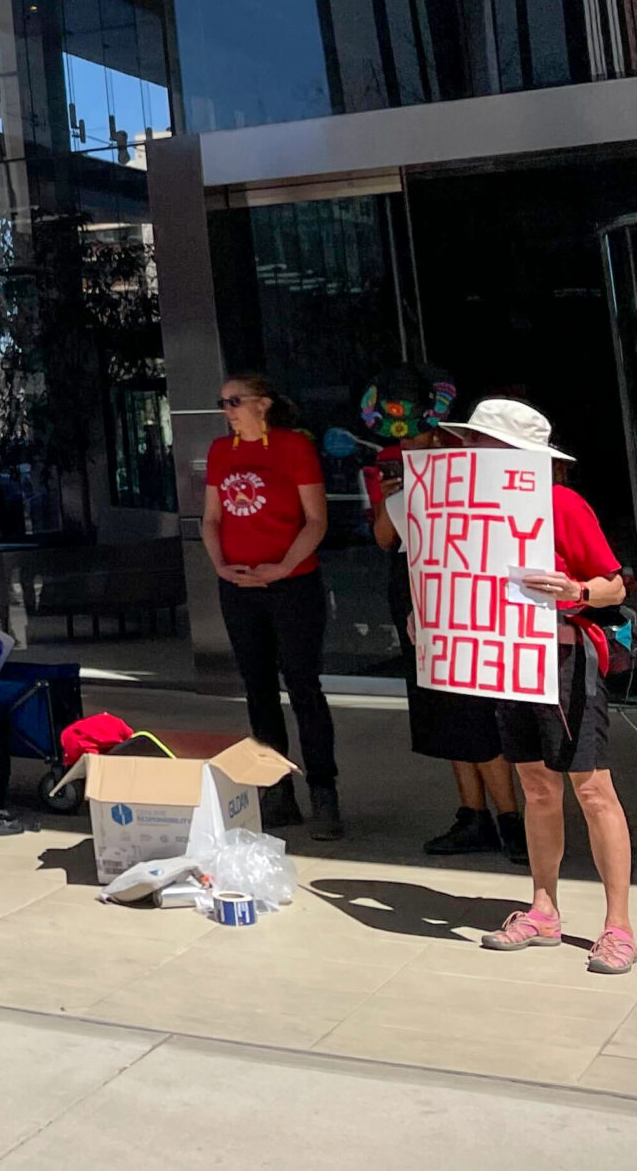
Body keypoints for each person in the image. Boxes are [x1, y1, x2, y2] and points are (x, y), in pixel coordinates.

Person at [461, 401, 637, 973]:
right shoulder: (471, 509)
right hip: (507, 661)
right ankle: (543, 909)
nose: (474, 452)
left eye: (485, 443)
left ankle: (618, 925)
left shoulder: (561, 504)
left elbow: (614, 586)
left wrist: (577, 592)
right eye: (474, 441)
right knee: (536, 787)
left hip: (562, 659)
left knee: (592, 791)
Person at [361, 366, 523, 861]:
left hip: (463, 593)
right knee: (438, 708)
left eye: (412, 429)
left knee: (475, 709)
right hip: (415, 590)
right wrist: (391, 496)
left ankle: (510, 818)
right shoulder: (392, 470)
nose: (406, 439)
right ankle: (471, 814)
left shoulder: (465, 465)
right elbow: (385, 540)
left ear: (435, 426)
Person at [201, 372, 340, 840]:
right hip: (240, 585)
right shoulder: (223, 453)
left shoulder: (293, 447)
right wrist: (220, 565)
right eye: (221, 403)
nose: (227, 411)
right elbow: (212, 517)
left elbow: (316, 520)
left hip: (291, 584)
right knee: (258, 689)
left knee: (303, 687)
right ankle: (276, 789)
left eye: (234, 401)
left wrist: (282, 567)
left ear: (262, 404)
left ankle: (324, 791)